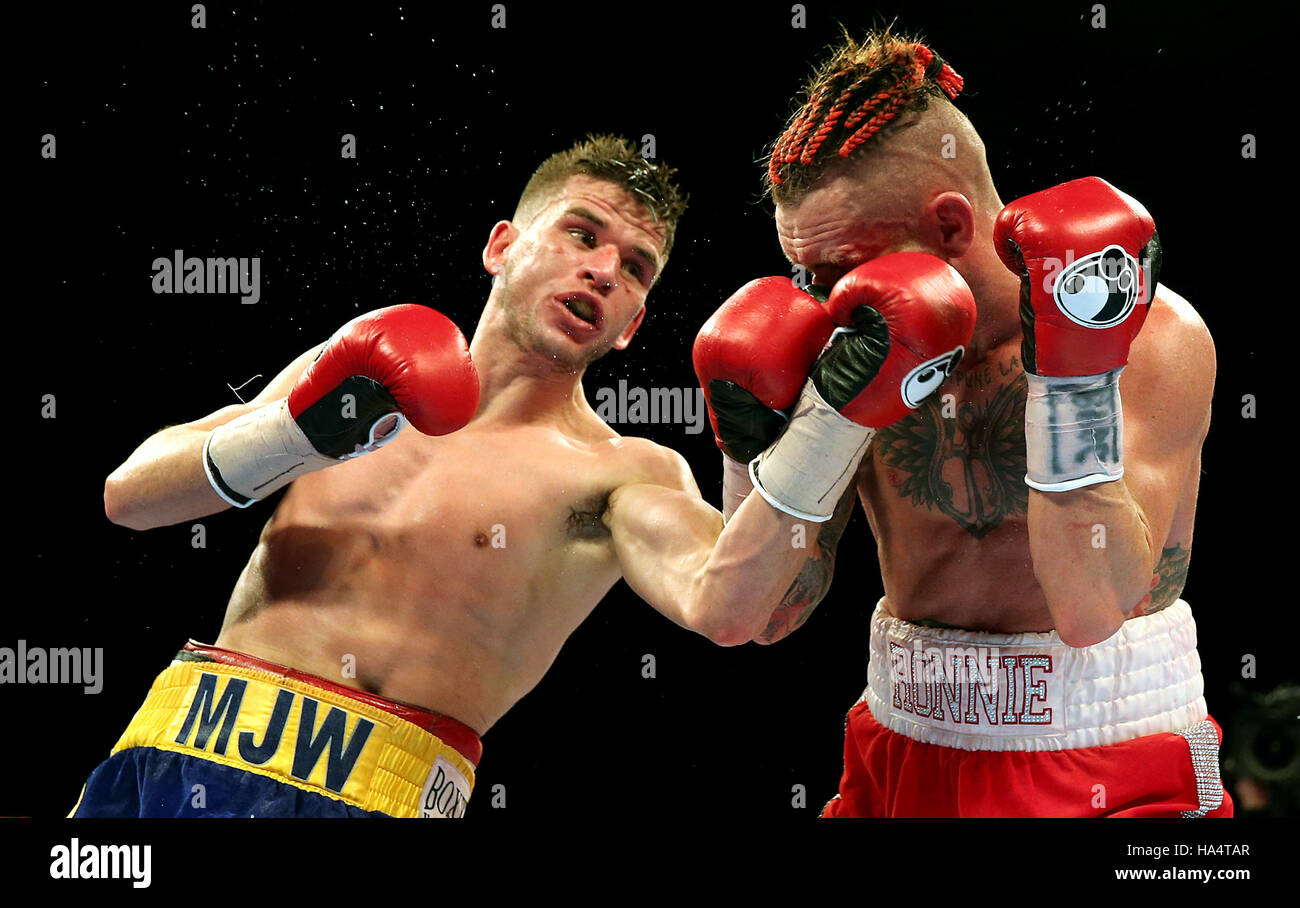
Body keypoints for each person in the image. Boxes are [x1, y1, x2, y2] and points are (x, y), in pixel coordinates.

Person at [76, 134, 899, 818]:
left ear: (631, 327)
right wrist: (293, 433)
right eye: (581, 234)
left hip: (371, 793)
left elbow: (733, 608)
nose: (605, 271)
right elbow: (130, 497)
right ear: (502, 244)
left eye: (637, 268)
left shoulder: (619, 472)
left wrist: (800, 435)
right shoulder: (360, 370)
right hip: (165, 749)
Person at [701, 29, 1231, 817]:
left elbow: (1092, 610)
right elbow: (755, 617)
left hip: (1106, 758)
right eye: (805, 273)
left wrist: (1073, 376)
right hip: (899, 744)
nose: (822, 297)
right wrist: (751, 452)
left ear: (951, 225)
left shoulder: (1146, 335)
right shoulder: (846, 344)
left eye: (842, 267)